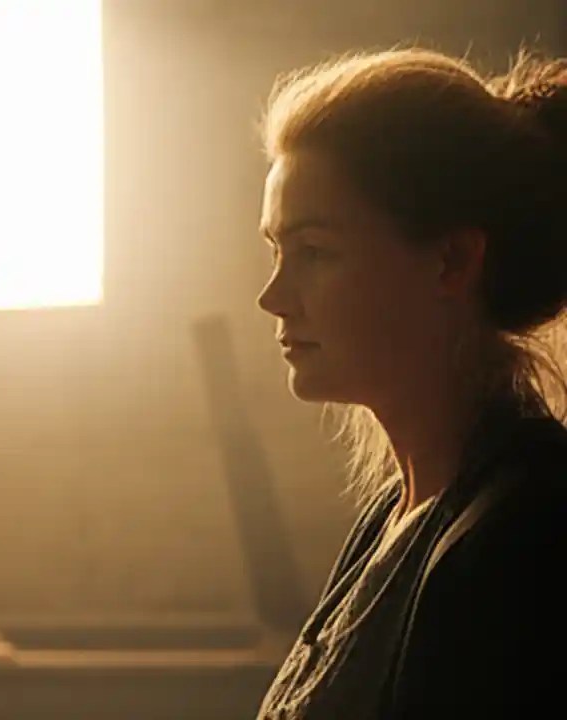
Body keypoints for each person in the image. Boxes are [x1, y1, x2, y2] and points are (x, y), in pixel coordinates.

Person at [253, 46, 567, 719]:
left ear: (451, 262)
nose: (273, 296)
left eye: (314, 252)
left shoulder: (523, 536)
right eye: (277, 251)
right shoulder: (398, 515)